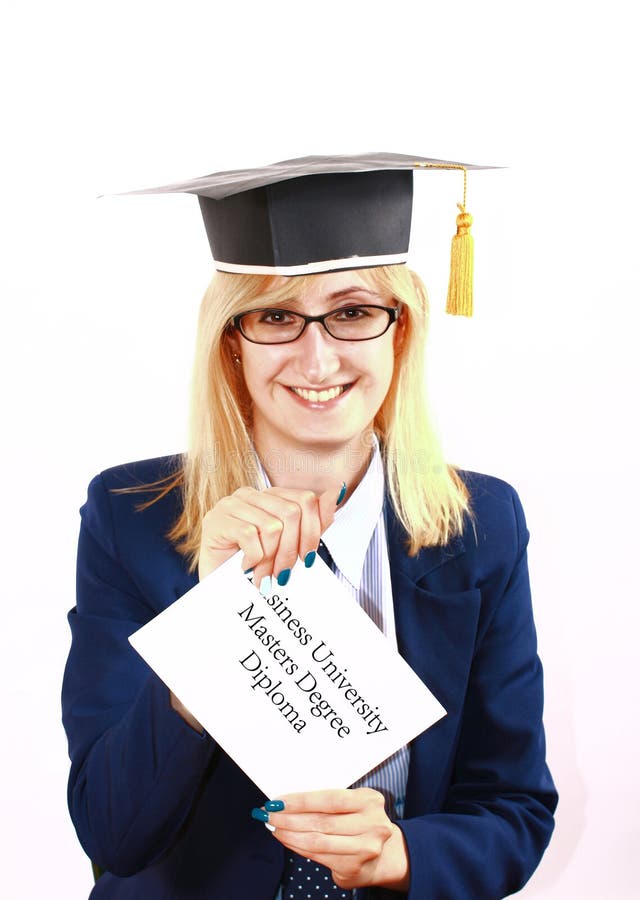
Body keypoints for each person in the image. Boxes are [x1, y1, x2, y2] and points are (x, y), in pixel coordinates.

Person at [62, 154, 558, 899]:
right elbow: (113, 834)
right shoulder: (131, 515)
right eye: (276, 317)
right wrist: (217, 630)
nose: (317, 357)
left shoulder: (479, 524)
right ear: (231, 339)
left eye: (354, 312)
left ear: (401, 330)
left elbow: (512, 808)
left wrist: (399, 855)